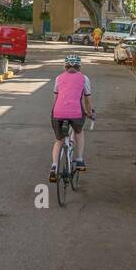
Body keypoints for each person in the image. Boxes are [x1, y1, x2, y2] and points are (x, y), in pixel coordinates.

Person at [50, 53, 94, 182]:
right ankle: (79, 160)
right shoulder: (84, 78)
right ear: (79, 66)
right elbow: (87, 100)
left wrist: (55, 111)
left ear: (65, 66)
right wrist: (89, 112)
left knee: (59, 140)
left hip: (58, 112)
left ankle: (54, 167)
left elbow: (55, 98)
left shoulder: (58, 78)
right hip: (75, 113)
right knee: (79, 132)